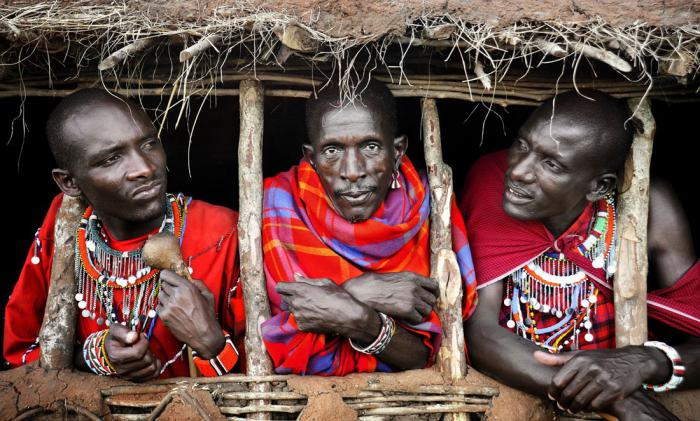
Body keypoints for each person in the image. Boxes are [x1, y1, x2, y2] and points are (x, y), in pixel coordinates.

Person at [461, 89, 700, 420]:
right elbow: (482, 332)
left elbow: (695, 333)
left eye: (551, 164)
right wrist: (617, 399)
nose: (517, 171)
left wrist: (643, 361)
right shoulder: (491, 181)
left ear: (599, 187)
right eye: (522, 145)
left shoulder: (649, 207)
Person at [4, 89, 245, 381]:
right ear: (69, 182)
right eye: (111, 159)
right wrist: (91, 357)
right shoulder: (64, 228)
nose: (145, 168)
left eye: (148, 144)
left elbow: (270, 374)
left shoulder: (223, 233)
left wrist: (211, 343)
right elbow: (20, 355)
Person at [260, 80, 477, 376]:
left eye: (371, 146)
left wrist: (346, 311)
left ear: (398, 151)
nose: (352, 171)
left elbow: (435, 357)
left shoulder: (431, 209)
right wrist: (359, 297)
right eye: (332, 151)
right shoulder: (280, 208)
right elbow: (281, 350)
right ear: (311, 158)